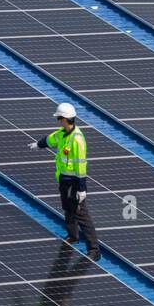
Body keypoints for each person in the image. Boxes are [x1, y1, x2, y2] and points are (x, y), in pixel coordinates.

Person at [31, 102, 98, 255]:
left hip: (75, 183)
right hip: (64, 180)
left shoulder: (77, 140)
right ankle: (73, 236)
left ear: (65, 119)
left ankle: (94, 249)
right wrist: (39, 144)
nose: (58, 121)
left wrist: (82, 189)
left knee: (82, 214)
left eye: (59, 118)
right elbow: (51, 139)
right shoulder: (62, 134)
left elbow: (81, 166)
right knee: (67, 208)